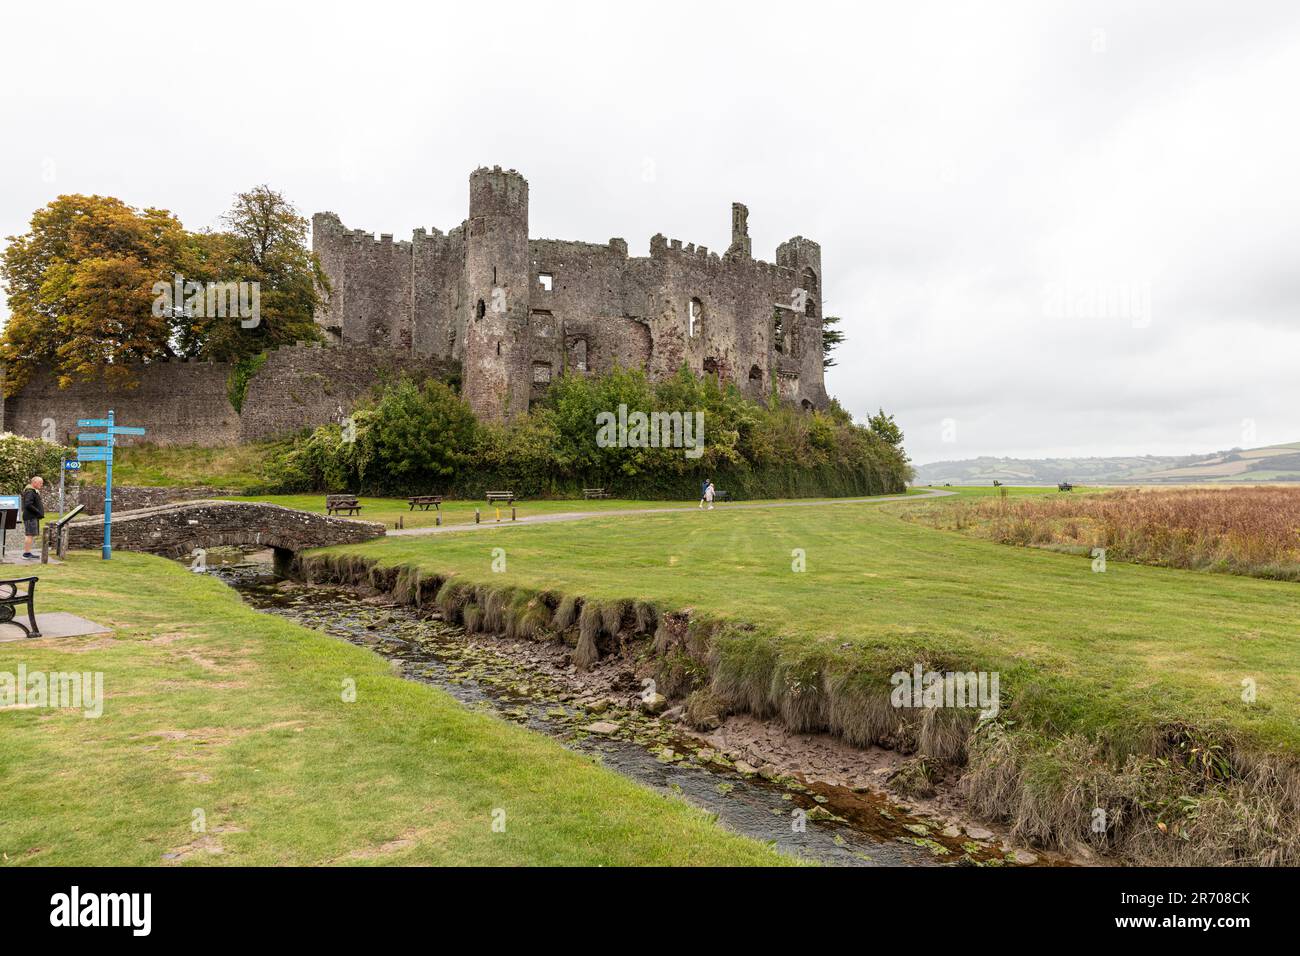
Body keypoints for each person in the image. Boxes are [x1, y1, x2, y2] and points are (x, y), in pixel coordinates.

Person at [21, 476, 45, 560]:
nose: (41, 485)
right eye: (40, 483)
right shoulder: (30, 491)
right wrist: (38, 512)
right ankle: (26, 554)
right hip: (30, 517)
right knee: (29, 535)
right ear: (34, 482)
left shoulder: (32, 491)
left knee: (30, 535)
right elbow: (28, 504)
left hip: (32, 516)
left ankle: (28, 552)